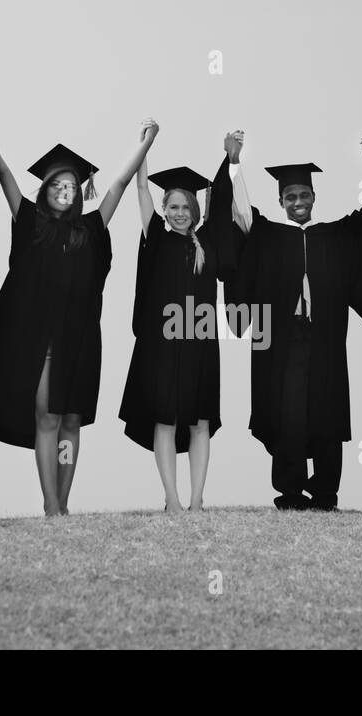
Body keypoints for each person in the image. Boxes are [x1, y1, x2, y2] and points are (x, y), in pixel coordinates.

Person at [0, 119, 159, 516]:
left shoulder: (91, 227)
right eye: (55, 184)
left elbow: (120, 185)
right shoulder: (30, 223)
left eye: (69, 185)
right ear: (45, 189)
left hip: (81, 343)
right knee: (48, 419)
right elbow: (2, 172)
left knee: (71, 424)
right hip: (42, 344)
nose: (62, 190)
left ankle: (64, 503)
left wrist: (147, 141)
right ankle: (51, 504)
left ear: (79, 192)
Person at [224, 130, 362, 511]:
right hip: (282, 342)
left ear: (314, 198)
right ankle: (289, 492)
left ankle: (325, 494)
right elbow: (240, 211)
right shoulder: (267, 236)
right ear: (280, 202)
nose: (297, 202)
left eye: (303, 195)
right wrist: (234, 163)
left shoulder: (336, 236)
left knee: (327, 413)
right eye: (290, 197)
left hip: (325, 340)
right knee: (287, 413)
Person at [119, 148, 236, 513]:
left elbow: (223, 203)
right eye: (173, 207)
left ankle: (197, 499)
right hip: (162, 344)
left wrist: (230, 158)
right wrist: (146, 144)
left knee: (200, 420)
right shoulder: (156, 236)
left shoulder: (209, 242)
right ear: (165, 210)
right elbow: (140, 189)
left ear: (195, 211)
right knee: (165, 418)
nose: (180, 213)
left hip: (201, 340)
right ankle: (171, 497)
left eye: (186, 207)